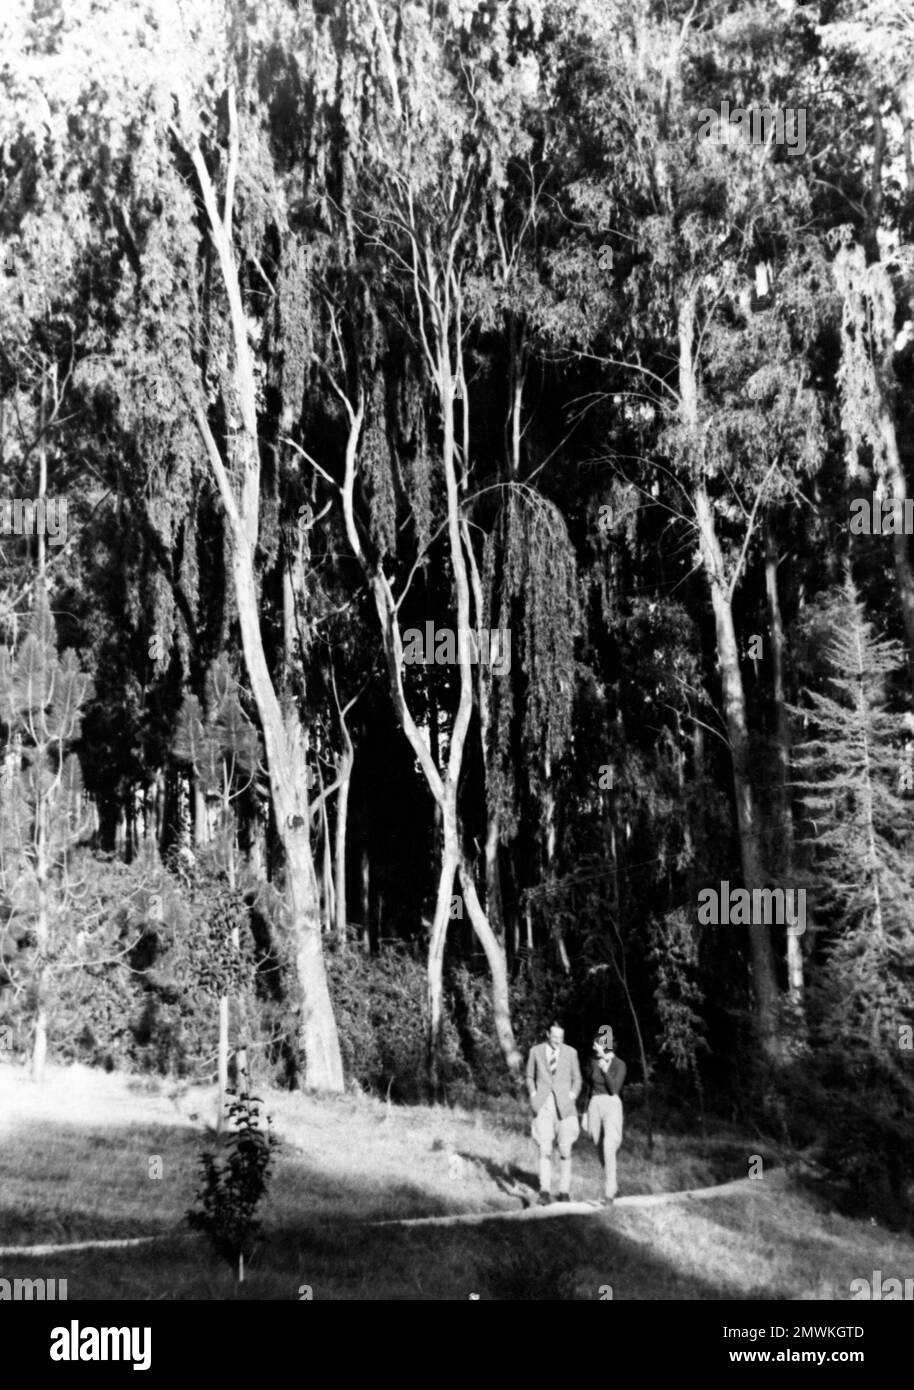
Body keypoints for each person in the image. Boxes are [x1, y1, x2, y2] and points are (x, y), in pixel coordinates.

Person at [526, 1021, 582, 1204]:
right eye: (555, 1037)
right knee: (545, 1149)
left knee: (565, 1149)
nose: (558, 1041)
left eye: (561, 1037)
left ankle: (564, 1192)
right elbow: (529, 1076)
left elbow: (577, 1079)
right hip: (544, 1106)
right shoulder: (535, 1051)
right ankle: (544, 1191)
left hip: (565, 1107)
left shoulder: (571, 1053)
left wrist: (572, 1096)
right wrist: (534, 1094)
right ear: (548, 1034)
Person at [585, 1023, 626, 1206]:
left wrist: (605, 1069)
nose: (594, 1047)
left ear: (606, 1045)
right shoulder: (592, 1062)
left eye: (597, 1044)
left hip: (612, 1105)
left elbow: (614, 1089)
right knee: (599, 1148)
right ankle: (614, 1186)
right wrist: (585, 1113)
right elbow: (589, 1087)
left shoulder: (619, 1065)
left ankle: (609, 1195)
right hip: (595, 1104)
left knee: (609, 1147)